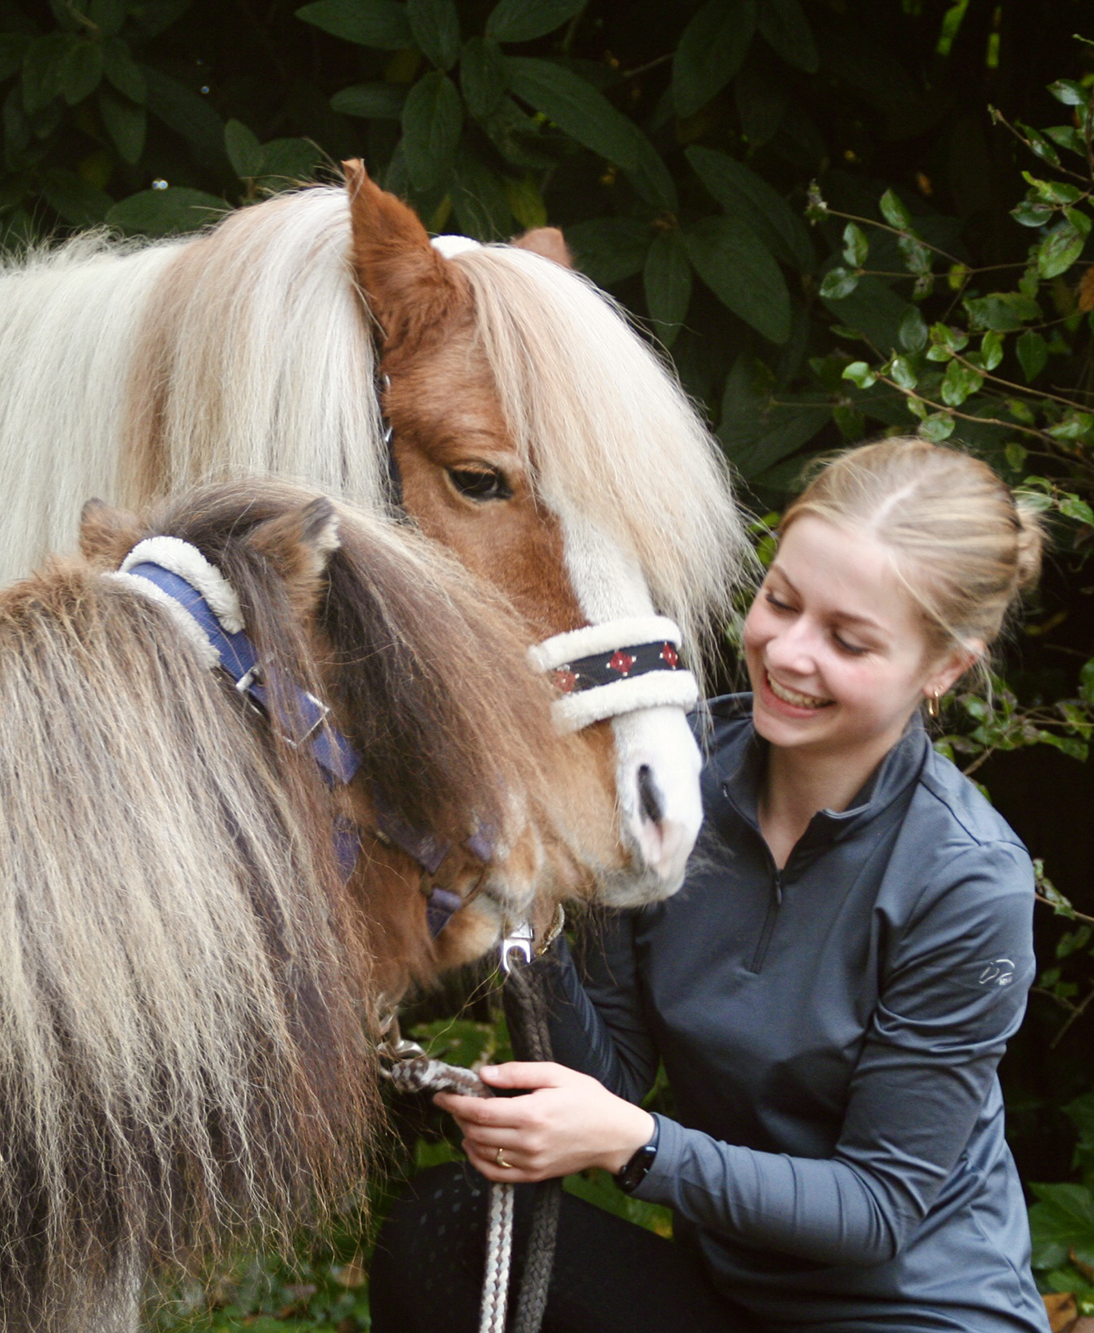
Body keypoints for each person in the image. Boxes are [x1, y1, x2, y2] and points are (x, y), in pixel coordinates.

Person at [368, 437, 1052, 1332]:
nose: (789, 652)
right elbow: (603, 1069)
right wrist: (523, 906)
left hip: (917, 1314)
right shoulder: (674, 780)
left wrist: (634, 1143)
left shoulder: (966, 881)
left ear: (945, 668)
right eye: (781, 601)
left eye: (847, 639)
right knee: (444, 1224)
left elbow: (879, 1208)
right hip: (727, 1304)